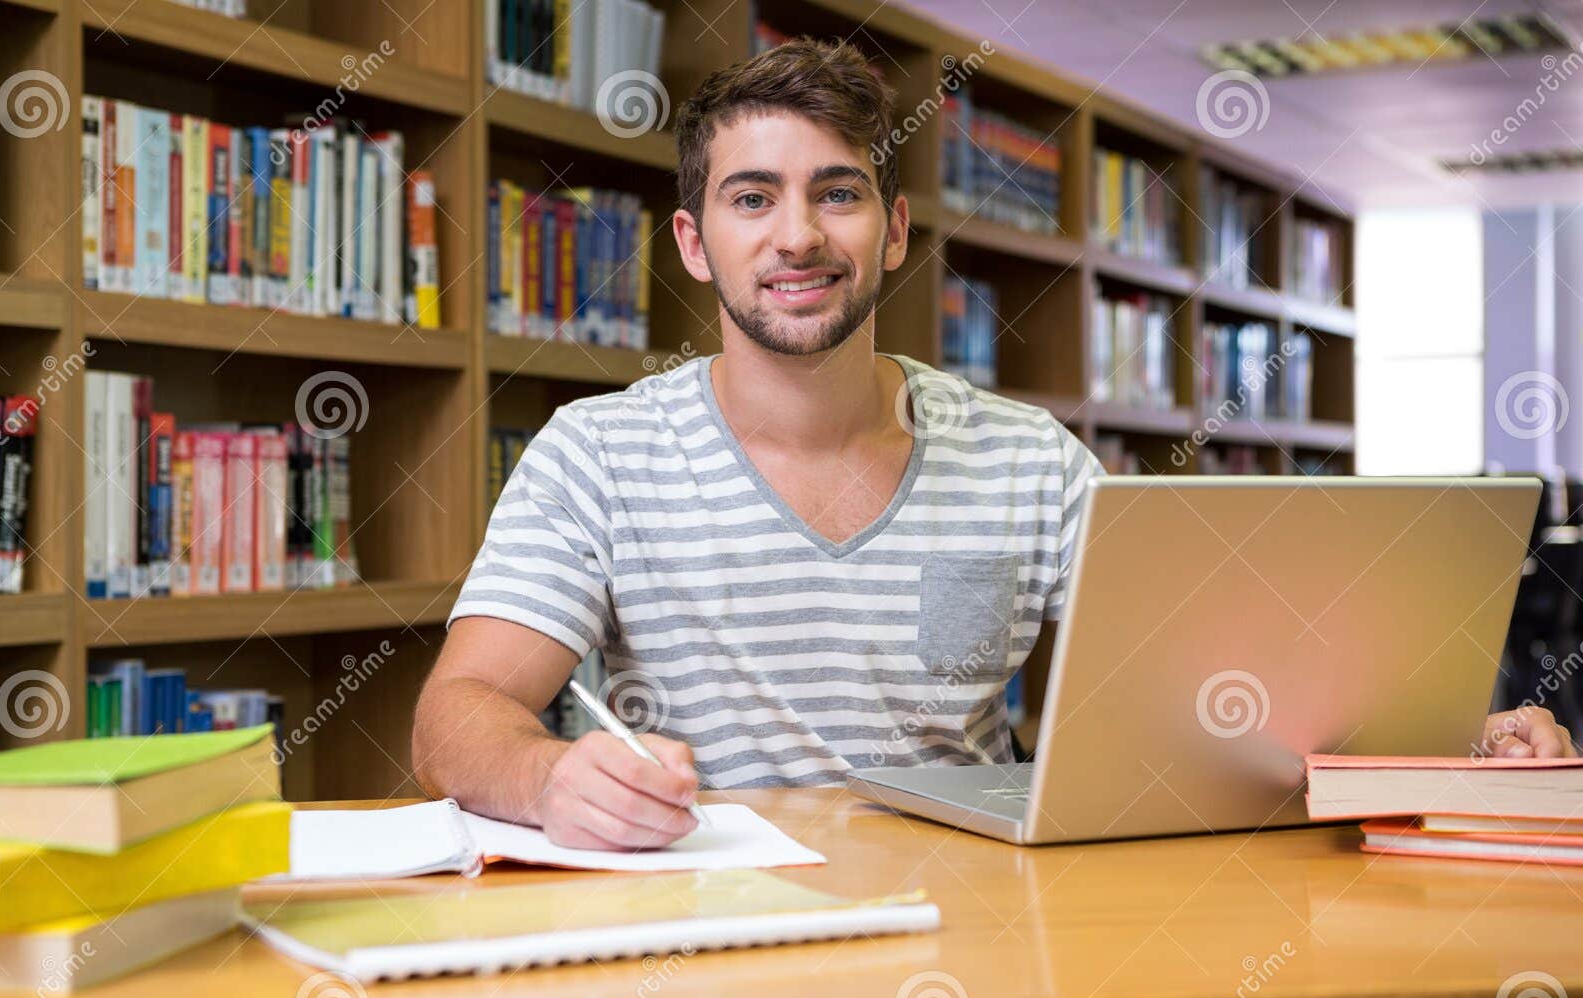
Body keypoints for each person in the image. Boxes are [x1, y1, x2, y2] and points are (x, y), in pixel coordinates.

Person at [412, 38, 1573, 851]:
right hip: (707, 909)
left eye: (839, 193)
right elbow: (454, 717)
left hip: (973, 915)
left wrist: (1449, 740)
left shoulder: (1028, 460)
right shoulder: (593, 453)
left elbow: (1233, 689)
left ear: (895, 229)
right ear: (696, 241)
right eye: (752, 197)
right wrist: (552, 776)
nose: (800, 235)